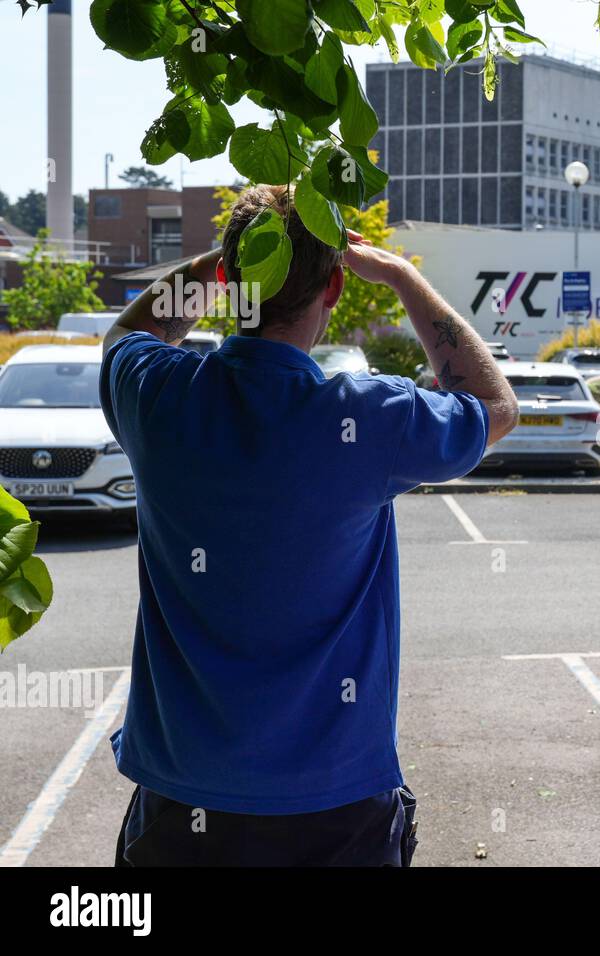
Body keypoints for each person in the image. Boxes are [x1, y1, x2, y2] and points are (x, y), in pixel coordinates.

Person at [100, 184, 518, 866]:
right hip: (335, 810)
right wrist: (404, 276)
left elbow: (129, 335)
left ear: (231, 283)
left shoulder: (158, 396)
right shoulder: (368, 415)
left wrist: (227, 263)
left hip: (182, 802)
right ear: (333, 290)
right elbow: (494, 405)